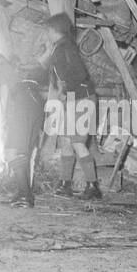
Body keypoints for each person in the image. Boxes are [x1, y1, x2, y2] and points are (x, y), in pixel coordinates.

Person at [38, 14, 101, 200]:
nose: (46, 33)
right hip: (74, 99)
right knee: (66, 141)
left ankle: (92, 187)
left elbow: (79, 74)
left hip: (82, 99)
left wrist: (66, 91)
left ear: (53, 30)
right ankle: (65, 184)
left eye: (47, 30)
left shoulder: (65, 48)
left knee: (77, 142)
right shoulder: (59, 47)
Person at [0, 52, 45, 208]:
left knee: (11, 152)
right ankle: (22, 193)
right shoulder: (17, 69)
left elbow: (4, 93)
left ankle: (26, 197)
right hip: (37, 104)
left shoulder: (0, 68)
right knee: (22, 153)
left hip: (23, 106)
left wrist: (3, 116)